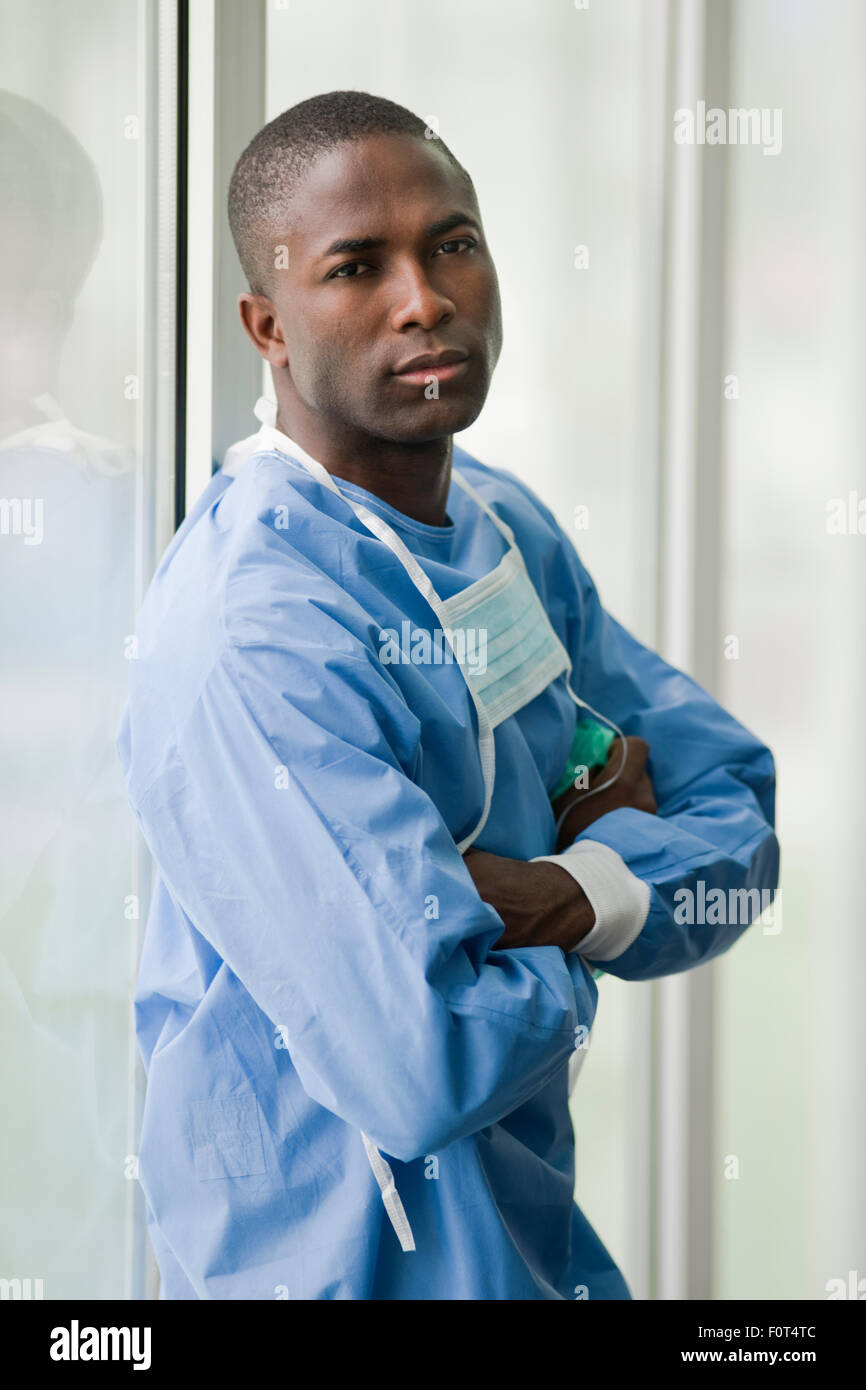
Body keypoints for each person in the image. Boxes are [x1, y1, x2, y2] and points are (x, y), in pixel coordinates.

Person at [116, 90, 779, 1301]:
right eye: (356, 266)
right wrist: (618, 892)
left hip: (536, 1257)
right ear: (267, 324)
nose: (423, 300)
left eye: (452, 243)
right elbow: (424, 1061)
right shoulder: (255, 632)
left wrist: (561, 895)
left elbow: (736, 821)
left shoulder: (499, 529)